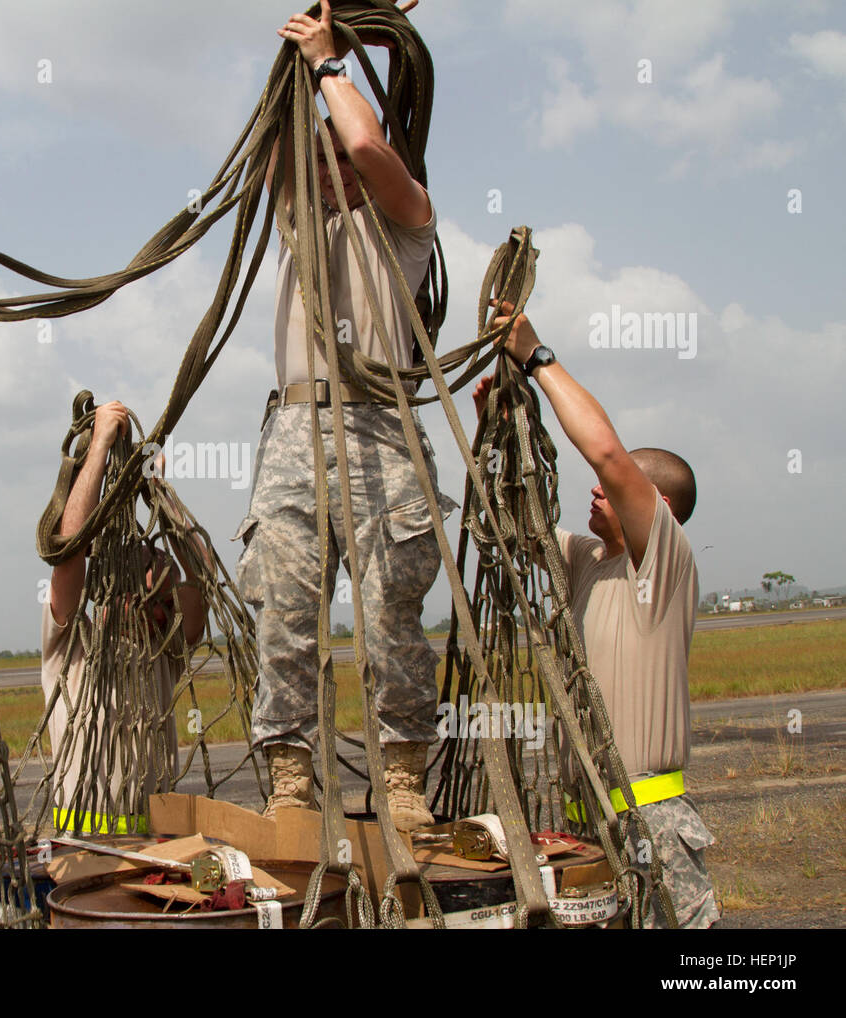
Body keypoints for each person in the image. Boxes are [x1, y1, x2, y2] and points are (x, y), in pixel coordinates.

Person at [236, 0, 456, 829]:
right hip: (292, 432)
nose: (327, 162)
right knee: (285, 619)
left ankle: (401, 778)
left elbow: (365, 142)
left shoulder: (405, 221)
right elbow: (274, 156)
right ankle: (291, 778)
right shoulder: (299, 227)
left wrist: (333, 59)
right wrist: (301, 61)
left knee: (392, 617)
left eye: (335, 154)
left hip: (379, 426)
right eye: (315, 152)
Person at [473, 304, 720, 929]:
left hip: (647, 820)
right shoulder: (585, 560)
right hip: (584, 826)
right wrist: (494, 433)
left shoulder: (661, 563)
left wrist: (538, 359)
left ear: (656, 505)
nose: (596, 488)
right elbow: (511, 527)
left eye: (614, 488)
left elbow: (607, 454)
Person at [41, 400, 209, 834]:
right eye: (132, 563)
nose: (147, 570)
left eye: (153, 560)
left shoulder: (163, 650)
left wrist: (158, 489)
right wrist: (99, 447)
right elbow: (69, 547)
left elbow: (201, 571)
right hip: (84, 843)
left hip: (157, 840)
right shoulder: (72, 639)